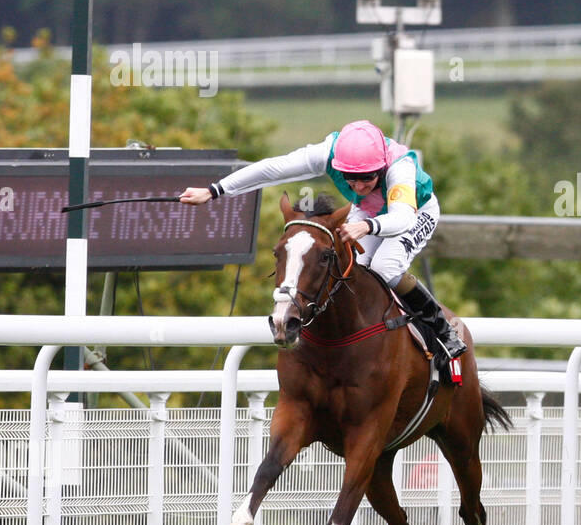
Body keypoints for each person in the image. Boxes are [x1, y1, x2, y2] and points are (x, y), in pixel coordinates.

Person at [180, 119, 465, 359]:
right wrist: (214, 191)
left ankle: (444, 331)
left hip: (413, 212)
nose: (359, 185)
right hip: (368, 213)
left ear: (381, 168)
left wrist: (367, 225)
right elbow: (272, 169)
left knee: (385, 267)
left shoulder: (400, 168)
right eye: (350, 178)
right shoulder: (325, 153)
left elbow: (402, 218)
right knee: (351, 269)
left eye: (367, 178)